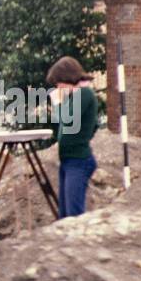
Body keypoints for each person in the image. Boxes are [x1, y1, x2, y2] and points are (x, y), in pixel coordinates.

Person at [46, 57, 99, 219]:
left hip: (78, 162)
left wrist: (57, 103)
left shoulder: (84, 93)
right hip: (69, 161)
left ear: (68, 78)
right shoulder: (75, 96)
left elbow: (67, 120)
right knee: (64, 217)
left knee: (73, 217)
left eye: (58, 83)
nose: (57, 87)